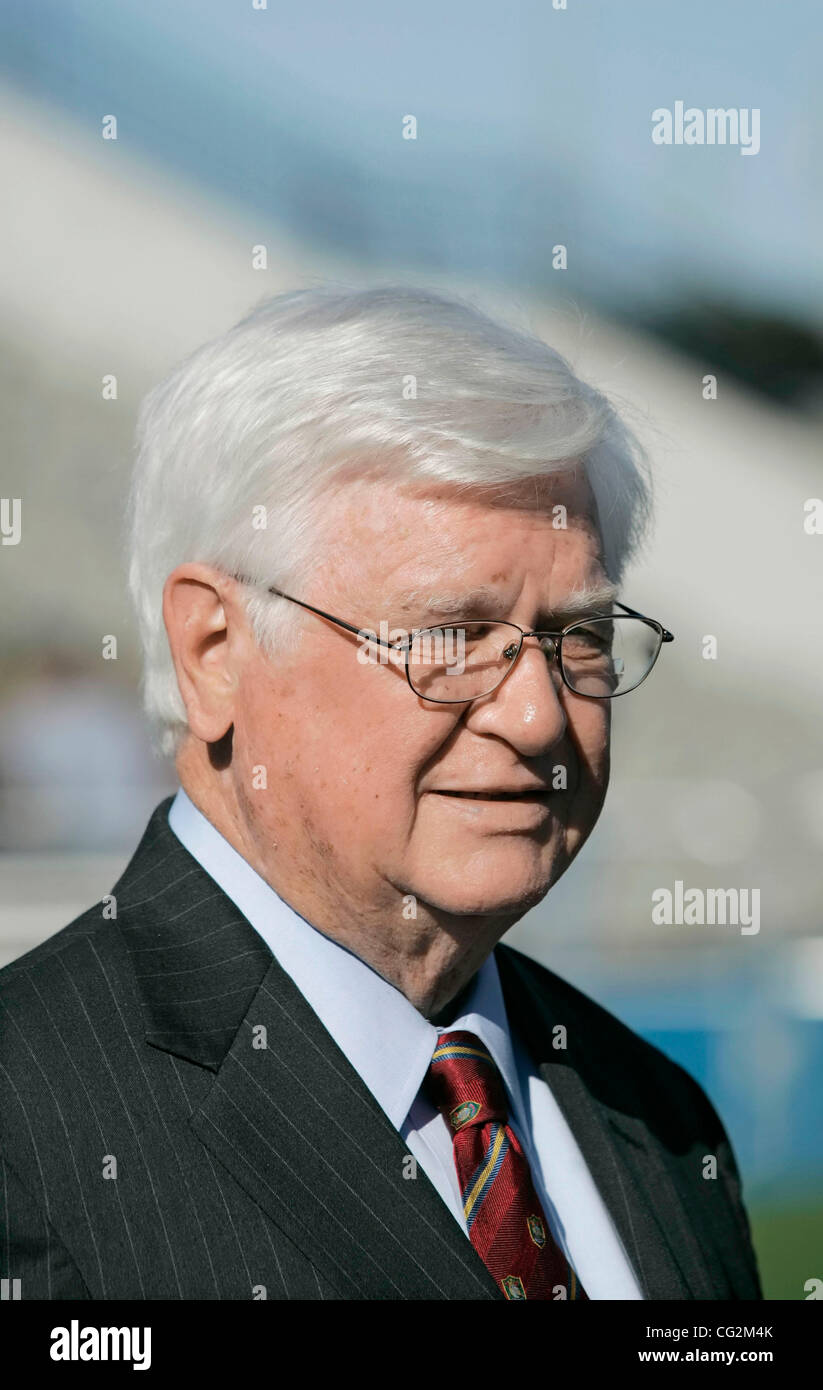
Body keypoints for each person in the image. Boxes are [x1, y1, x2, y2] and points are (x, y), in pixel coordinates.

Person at [0, 287, 761, 1300]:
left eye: (574, 635)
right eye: (449, 636)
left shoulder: (656, 1117)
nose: (536, 717)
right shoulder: (27, 1129)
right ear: (215, 653)